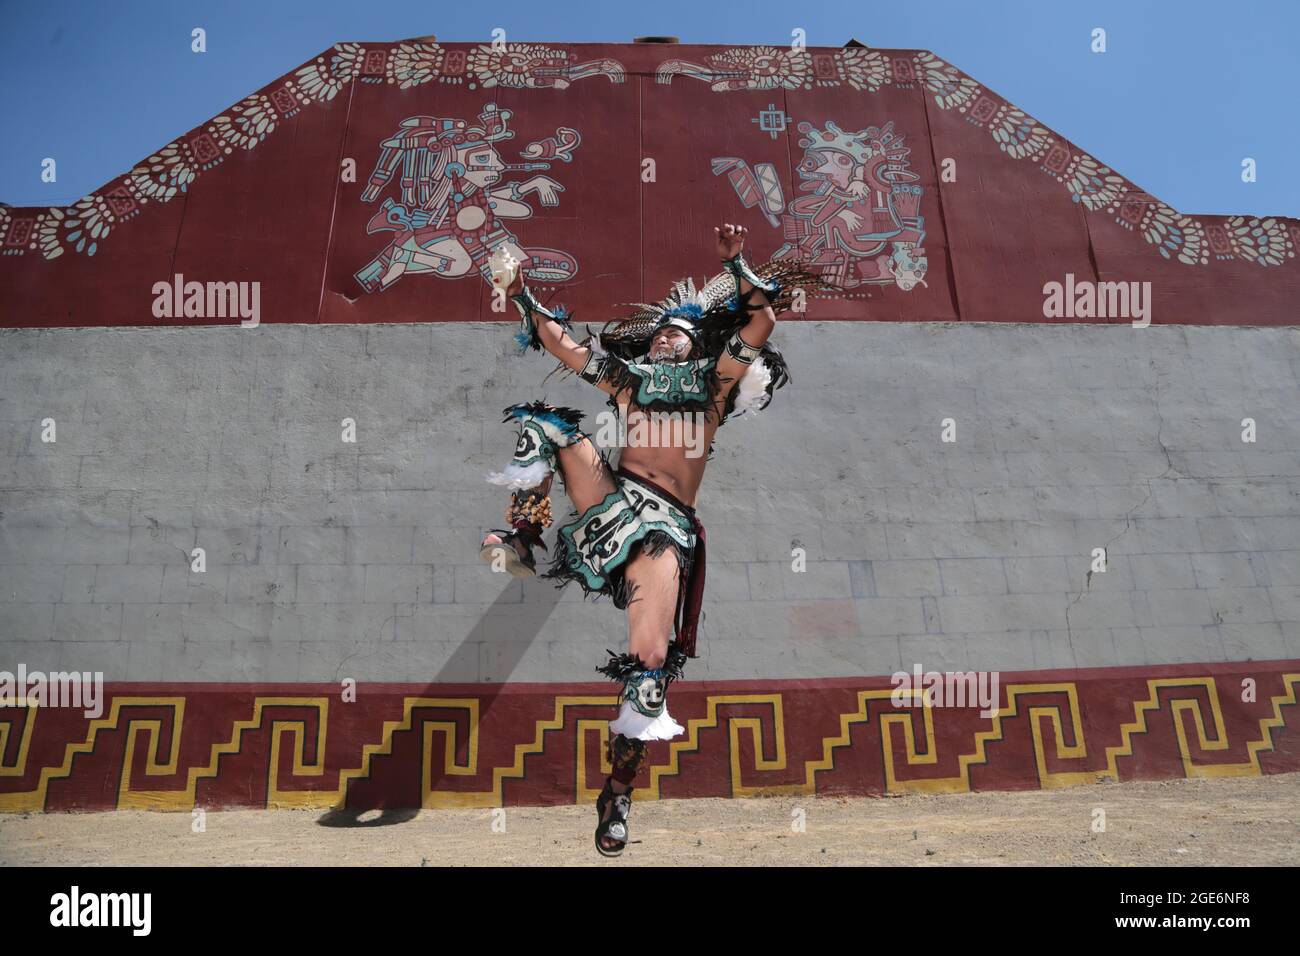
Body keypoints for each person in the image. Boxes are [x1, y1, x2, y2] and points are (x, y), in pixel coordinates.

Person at [480, 224, 832, 855]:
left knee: (647, 671)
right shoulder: (630, 380)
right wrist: (518, 292)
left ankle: (617, 794)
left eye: (681, 331)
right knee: (544, 425)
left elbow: (759, 325)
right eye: (662, 328)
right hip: (614, 502)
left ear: (697, 346)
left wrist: (735, 261)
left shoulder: (715, 388)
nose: (668, 333)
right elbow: (567, 349)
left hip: (664, 530)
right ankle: (523, 536)